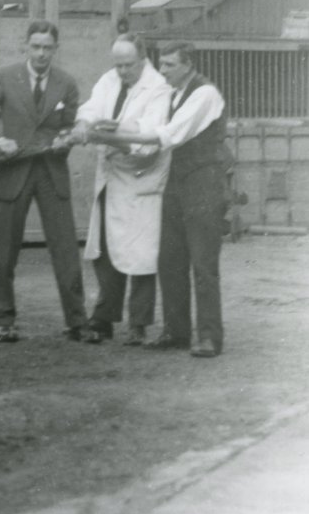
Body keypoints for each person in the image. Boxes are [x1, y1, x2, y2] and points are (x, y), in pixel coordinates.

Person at [90, 41, 230, 358]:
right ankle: (176, 332)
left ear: (188, 65)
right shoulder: (174, 94)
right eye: (162, 64)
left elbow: (167, 135)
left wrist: (111, 136)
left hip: (204, 185)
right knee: (170, 261)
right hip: (175, 184)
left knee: (203, 265)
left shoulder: (205, 94)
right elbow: (148, 126)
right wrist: (117, 127)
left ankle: (209, 336)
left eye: (169, 64)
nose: (162, 70)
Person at [0, 20, 87, 343]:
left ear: (56, 49)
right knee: (5, 252)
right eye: (36, 46)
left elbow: (71, 125)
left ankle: (77, 321)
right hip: (14, 172)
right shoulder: (4, 76)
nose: (41, 54)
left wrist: (67, 139)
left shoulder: (67, 83)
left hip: (51, 172)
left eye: (48, 48)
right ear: (25, 46)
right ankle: (3, 321)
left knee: (65, 250)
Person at [67, 34, 172, 345]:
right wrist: (86, 123)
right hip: (111, 177)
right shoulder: (109, 79)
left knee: (142, 254)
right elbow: (90, 108)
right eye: (118, 65)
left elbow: (150, 135)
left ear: (142, 59)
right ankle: (103, 318)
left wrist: (112, 135)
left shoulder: (158, 88)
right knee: (105, 249)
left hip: (140, 176)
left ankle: (138, 324)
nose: (123, 72)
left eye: (128, 65)